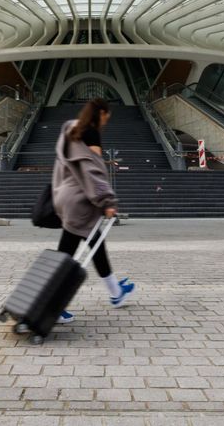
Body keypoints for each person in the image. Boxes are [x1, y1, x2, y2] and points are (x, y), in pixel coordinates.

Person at [51, 98, 135, 324]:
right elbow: (93, 172)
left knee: (93, 246)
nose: (108, 119)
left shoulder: (71, 132)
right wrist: (107, 201)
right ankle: (53, 305)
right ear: (101, 113)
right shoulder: (91, 134)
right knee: (68, 256)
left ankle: (116, 291)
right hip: (82, 201)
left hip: (66, 196)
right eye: (107, 115)